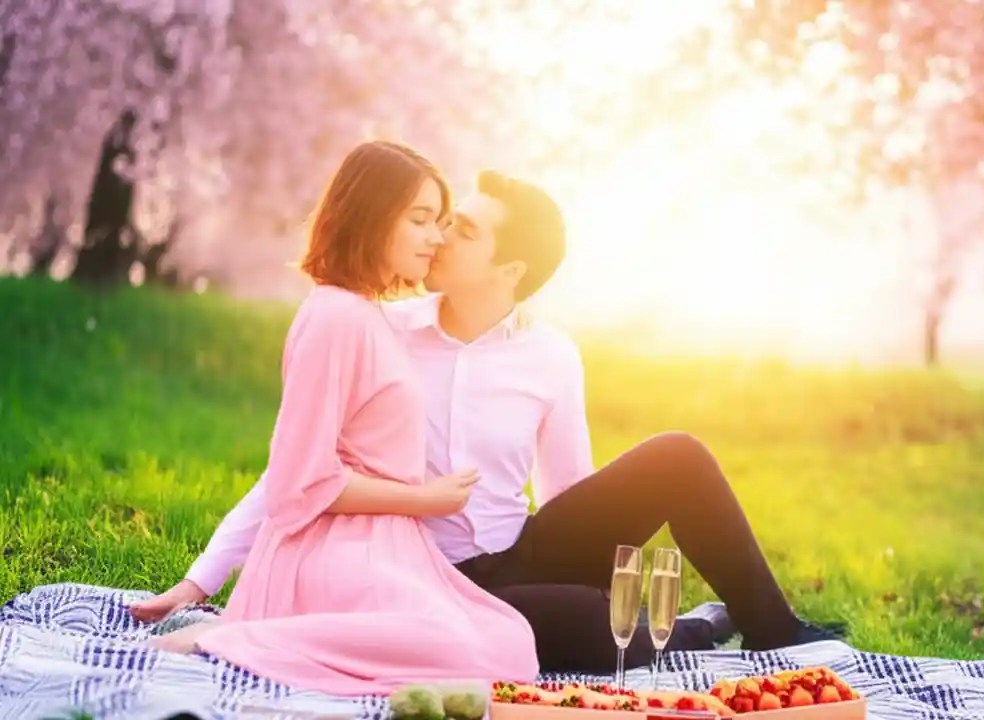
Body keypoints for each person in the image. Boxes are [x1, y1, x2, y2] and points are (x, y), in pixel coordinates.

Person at [136, 170, 839, 674]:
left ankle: (773, 629)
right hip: (429, 580)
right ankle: (688, 629)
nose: (439, 236)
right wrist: (199, 582)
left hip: (523, 547)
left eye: (462, 229)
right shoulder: (381, 332)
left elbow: (571, 491)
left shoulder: (550, 354)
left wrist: (596, 570)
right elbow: (296, 472)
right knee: (585, 632)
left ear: (509, 268)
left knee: (676, 456)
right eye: (440, 222)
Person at [147, 141, 539, 694]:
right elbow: (295, 482)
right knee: (465, 647)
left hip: (387, 549)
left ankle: (252, 633)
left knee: (509, 642)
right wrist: (424, 499)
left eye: (442, 222)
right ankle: (230, 638)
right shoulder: (334, 319)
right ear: (374, 218)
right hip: (333, 551)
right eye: (421, 220)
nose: (436, 238)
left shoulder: (368, 314)